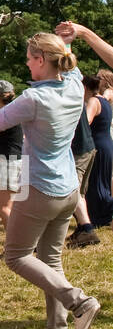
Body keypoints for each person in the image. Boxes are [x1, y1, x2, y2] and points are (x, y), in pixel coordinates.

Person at [0, 31, 100, 329]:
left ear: (41, 60)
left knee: (17, 256)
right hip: (68, 189)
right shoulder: (73, 84)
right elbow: (68, 61)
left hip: (40, 188)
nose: (27, 64)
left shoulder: (33, 99)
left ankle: (79, 302)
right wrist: (72, 37)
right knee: (51, 260)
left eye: (30, 58)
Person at [66, 90, 98, 248]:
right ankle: (82, 228)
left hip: (79, 150)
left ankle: (87, 229)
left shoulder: (65, 96)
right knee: (80, 193)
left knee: (73, 192)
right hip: (88, 147)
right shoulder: (76, 94)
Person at [0, 80, 23, 231]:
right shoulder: (20, 112)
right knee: (15, 208)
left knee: (3, 208)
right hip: (21, 160)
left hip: (7, 162)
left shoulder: (0, 115)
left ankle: (16, 248)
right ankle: (25, 244)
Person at [83, 74, 113, 230]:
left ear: (86, 87)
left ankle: (100, 216)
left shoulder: (94, 101)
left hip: (98, 145)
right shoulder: (104, 101)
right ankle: (104, 215)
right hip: (106, 144)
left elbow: (87, 121)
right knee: (104, 181)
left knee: (96, 182)